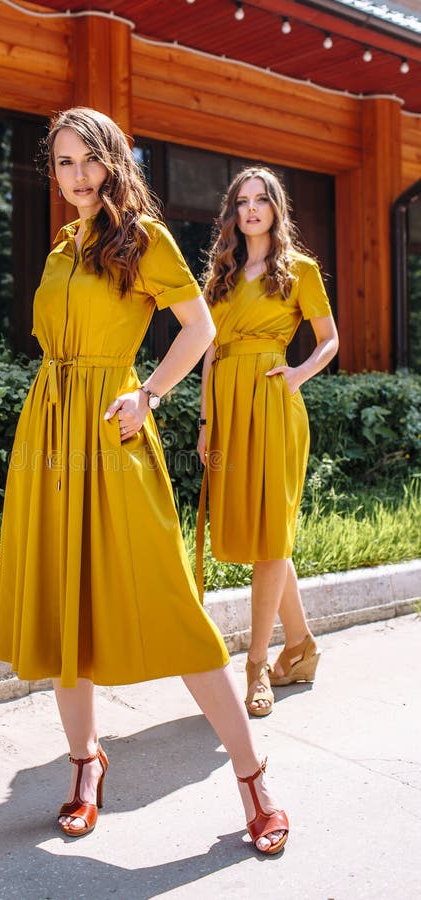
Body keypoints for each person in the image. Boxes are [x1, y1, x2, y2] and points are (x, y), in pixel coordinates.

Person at [0, 108, 288, 855]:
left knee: (172, 604)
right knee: (66, 604)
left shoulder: (141, 239)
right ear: (52, 175)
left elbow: (200, 328)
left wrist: (149, 393)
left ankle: (253, 780)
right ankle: (86, 765)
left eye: (89, 159)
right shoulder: (63, 246)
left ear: (115, 161)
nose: (77, 175)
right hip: (51, 433)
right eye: (62, 163)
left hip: (113, 429)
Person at [197, 167, 339, 718]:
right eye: (242, 201)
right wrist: (207, 422)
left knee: (271, 532)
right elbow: (209, 353)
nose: (252, 209)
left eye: (262, 200)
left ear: (277, 209)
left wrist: (298, 374)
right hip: (229, 411)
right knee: (260, 534)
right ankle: (300, 647)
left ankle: (256, 665)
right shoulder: (222, 274)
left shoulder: (299, 270)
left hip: (275, 405)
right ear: (233, 212)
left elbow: (330, 341)